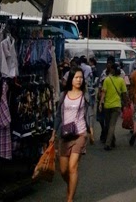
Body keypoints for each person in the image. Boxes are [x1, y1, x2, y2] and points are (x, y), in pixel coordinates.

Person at [50, 68, 93, 202]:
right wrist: (53, 133)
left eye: (81, 78)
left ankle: (70, 199)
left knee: (73, 166)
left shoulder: (85, 95)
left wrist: (91, 130)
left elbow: (89, 113)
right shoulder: (63, 95)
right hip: (64, 135)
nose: (79, 80)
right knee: (63, 170)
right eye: (76, 77)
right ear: (71, 79)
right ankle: (71, 184)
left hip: (80, 134)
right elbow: (58, 116)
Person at [98, 63, 128, 151]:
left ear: (112, 70)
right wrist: (126, 103)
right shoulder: (121, 80)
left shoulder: (107, 80)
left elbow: (103, 93)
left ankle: (109, 142)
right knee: (112, 125)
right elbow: (124, 93)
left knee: (108, 125)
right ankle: (109, 142)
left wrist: (100, 103)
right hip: (117, 105)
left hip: (107, 105)